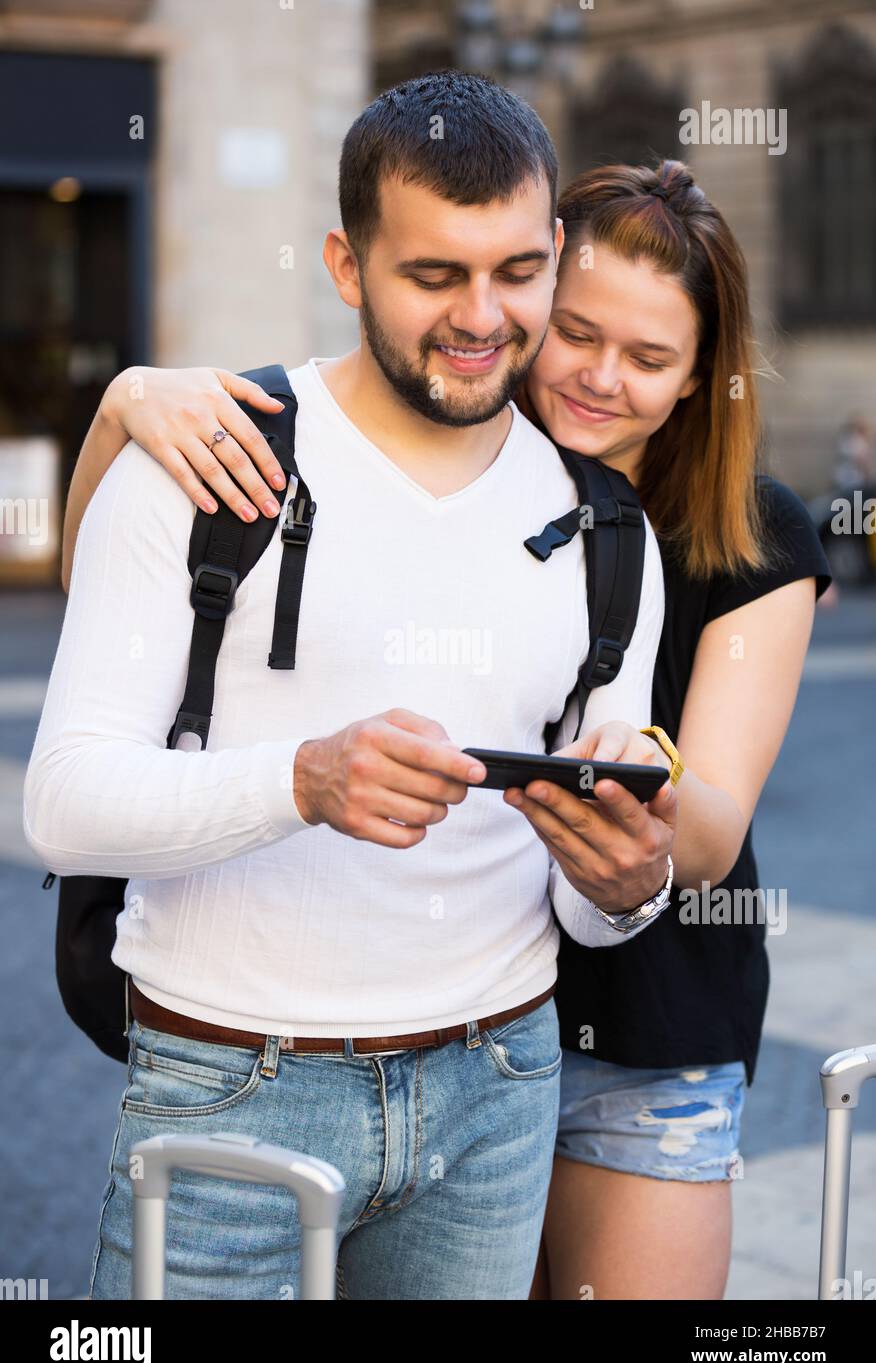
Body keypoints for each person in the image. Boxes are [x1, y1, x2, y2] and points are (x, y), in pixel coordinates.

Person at [81, 153, 833, 1301]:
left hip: (645, 1018)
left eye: (649, 358)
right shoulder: (426, 461)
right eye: (576, 331)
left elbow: (716, 820)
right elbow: (118, 587)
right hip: (428, 1017)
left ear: (698, 379)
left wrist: (638, 811)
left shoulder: (752, 531)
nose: (599, 377)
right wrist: (124, 400)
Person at [25, 72, 676, 1302]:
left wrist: (629, 884)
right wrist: (302, 781)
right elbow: (61, 803)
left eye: (518, 272)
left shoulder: (605, 530)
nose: (483, 317)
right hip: (228, 1094)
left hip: (500, 1090)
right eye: (434, 275)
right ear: (344, 262)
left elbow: (597, 901)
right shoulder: (207, 454)